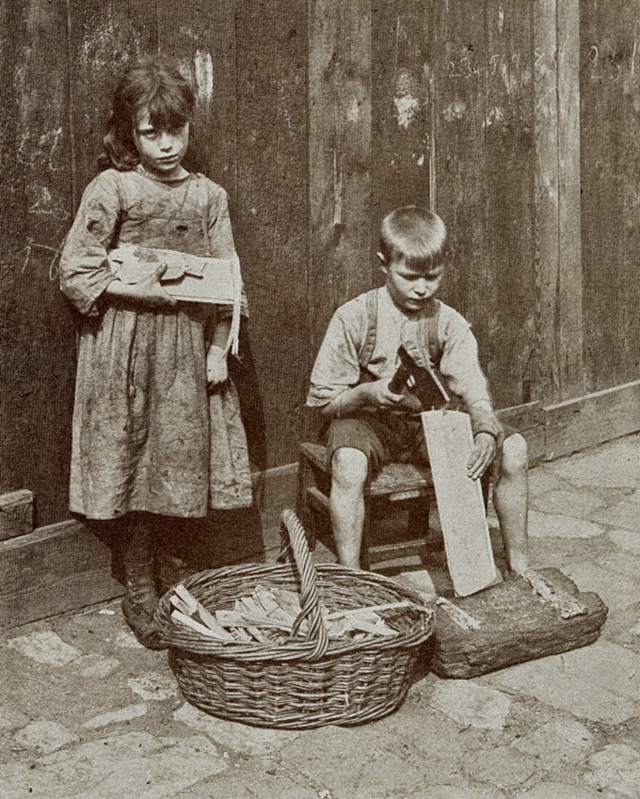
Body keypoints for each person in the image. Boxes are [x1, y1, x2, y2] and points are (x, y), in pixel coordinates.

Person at [59, 58, 253, 647]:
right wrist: (137, 283)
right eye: (150, 132)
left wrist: (219, 348)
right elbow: (75, 267)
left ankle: (174, 567)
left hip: (186, 353)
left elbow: (228, 284)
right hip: (122, 346)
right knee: (131, 454)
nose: (165, 145)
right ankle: (137, 578)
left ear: (190, 128)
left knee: (178, 457)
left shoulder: (208, 197)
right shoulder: (112, 187)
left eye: (176, 130)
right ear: (128, 132)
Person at [306, 206, 529, 575]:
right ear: (383, 264)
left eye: (432, 277)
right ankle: (352, 576)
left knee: (515, 449)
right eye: (409, 276)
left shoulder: (448, 322)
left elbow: (473, 387)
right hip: (366, 422)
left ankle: (520, 568)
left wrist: (486, 428)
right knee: (348, 461)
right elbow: (327, 403)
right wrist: (366, 393)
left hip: (427, 422)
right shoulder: (353, 317)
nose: (422, 288)